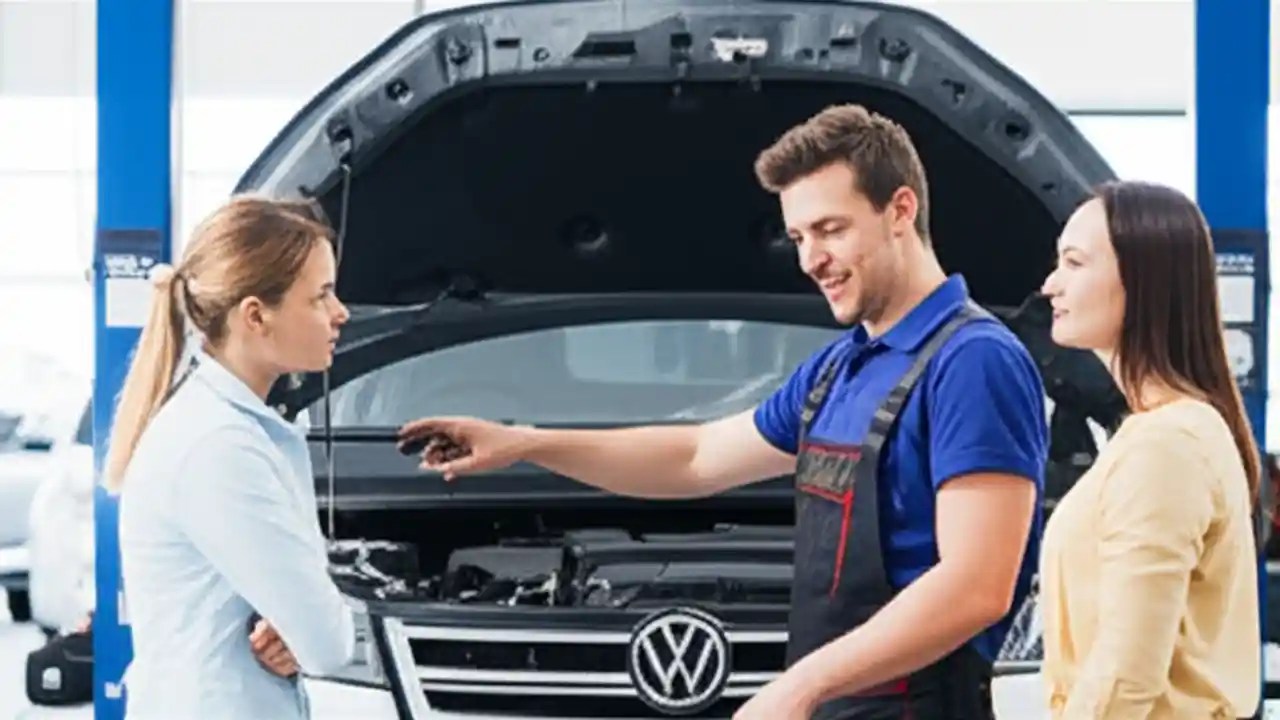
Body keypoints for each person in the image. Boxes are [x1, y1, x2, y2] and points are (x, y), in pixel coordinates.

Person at [398, 104, 1048, 719]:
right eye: (797, 235)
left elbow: (976, 583)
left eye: (830, 229)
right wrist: (526, 443)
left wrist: (802, 684)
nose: (810, 260)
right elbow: (695, 458)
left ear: (900, 209)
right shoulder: (839, 368)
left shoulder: (973, 361)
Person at [108, 195, 356, 719]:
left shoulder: (217, 426)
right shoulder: (219, 447)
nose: (341, 313)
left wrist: (291, 626)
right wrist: (305, 626)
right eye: (321, 297)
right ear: (256, 316)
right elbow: (330, 644)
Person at [1038, 180, 1263, 719]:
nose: (1050, 285)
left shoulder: (1167, 446)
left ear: (1140, 280)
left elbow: (1125, 677)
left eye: (1074, 263)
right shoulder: (1164, 433)